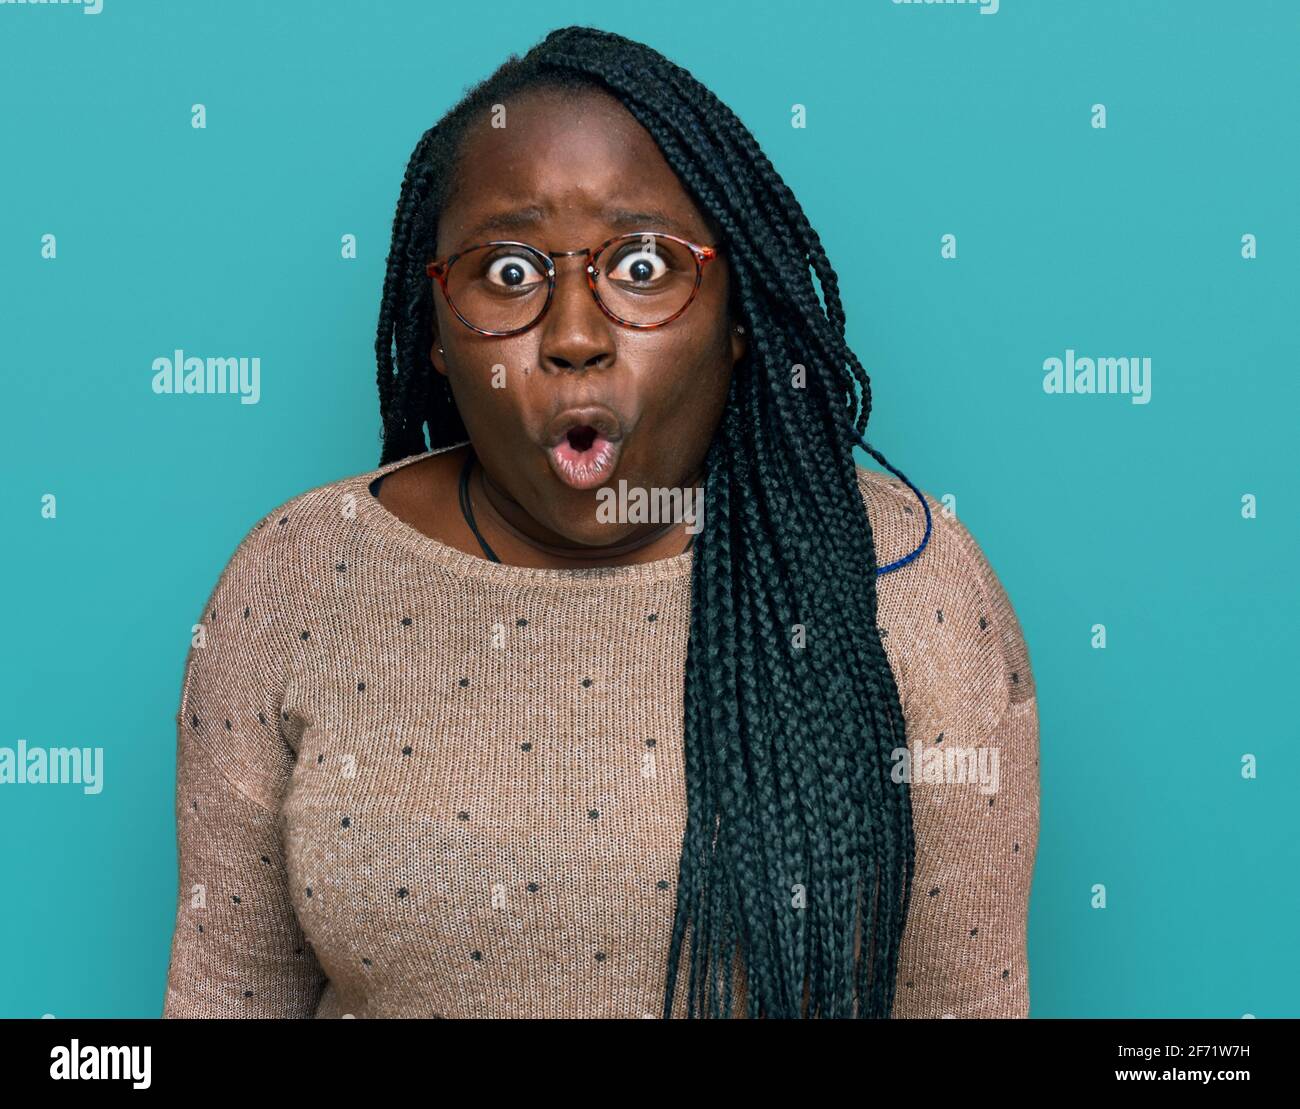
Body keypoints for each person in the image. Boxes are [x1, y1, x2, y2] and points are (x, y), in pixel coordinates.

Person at [162, 25, 1039, 1019]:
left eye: (641, 267)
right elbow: (224, 996)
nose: (574, 334)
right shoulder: (297, 576)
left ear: (738, 311)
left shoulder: (902, 589)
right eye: (506, 274)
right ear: (440, 332)